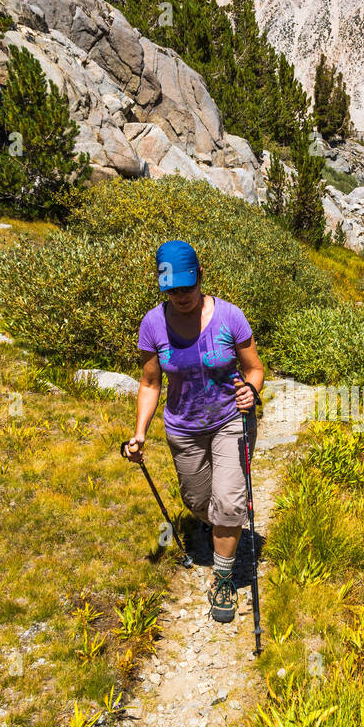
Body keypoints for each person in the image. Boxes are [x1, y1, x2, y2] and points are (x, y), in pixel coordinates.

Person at [125, 240, 265, 624]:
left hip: (229, 421)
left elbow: (255, 368)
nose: (181, 296)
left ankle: (222, 579)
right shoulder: (153, 324)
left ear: (201, 276)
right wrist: (139, 433)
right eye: (172, 290)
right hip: (184, 428)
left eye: (187, 287)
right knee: (198, 501)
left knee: (230, 503)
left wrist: (251, 391)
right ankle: (223, 517)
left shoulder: (229, 317)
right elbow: (151, 383)